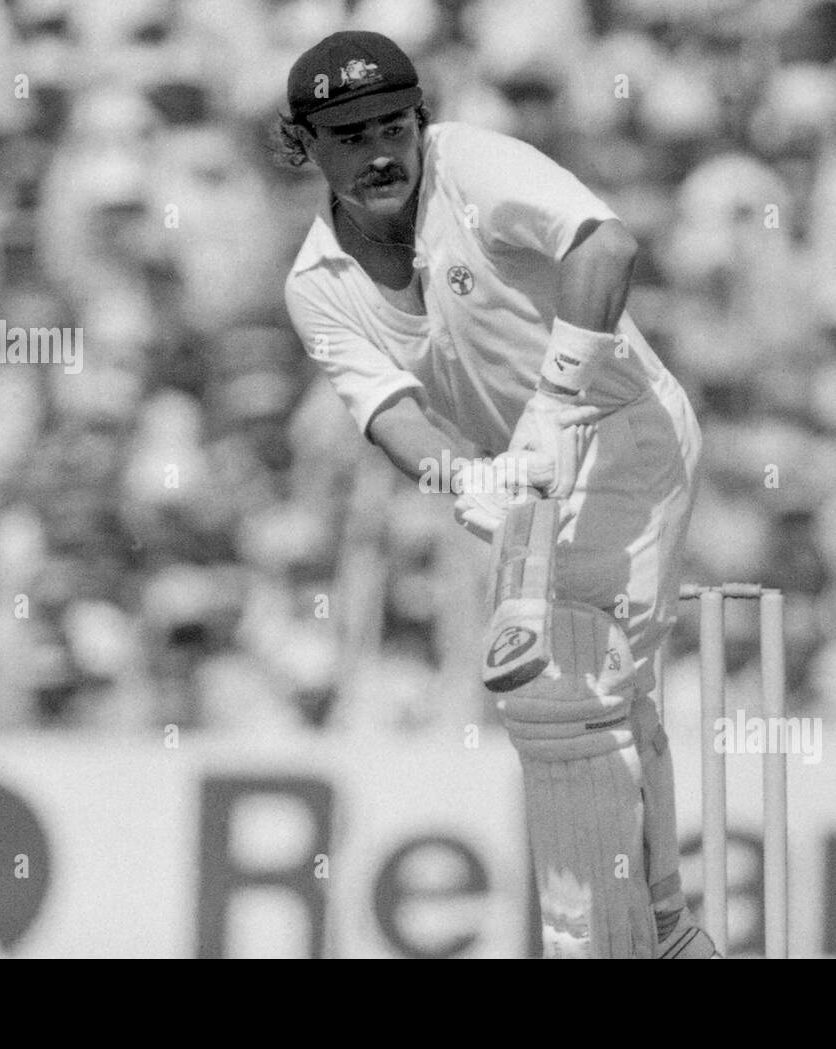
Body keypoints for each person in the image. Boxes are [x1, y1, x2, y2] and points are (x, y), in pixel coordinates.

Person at [281, 30, 711, 959]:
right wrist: (463, 477)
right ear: (304, 146)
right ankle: (666, 932)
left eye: (391, 126)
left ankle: (598, 943)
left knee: (564, 695)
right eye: (348, 137)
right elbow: (390, 413)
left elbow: (605, 243)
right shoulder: (317, 283)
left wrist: (556, 403)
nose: (379, 152)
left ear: (419, 120)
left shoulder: (468, 163)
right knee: (600, 699)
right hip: (518, 475)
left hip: (619, 431)